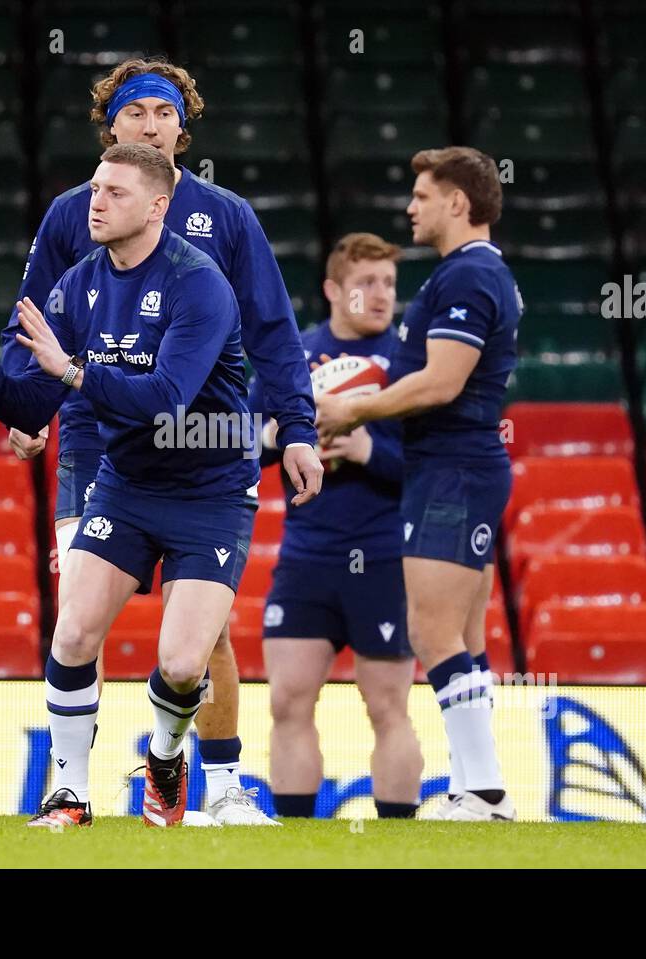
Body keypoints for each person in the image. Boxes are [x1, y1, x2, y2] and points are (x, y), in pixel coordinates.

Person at [0, 58, 321, 825]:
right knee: (78, 614)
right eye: (136, 111)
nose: (151, 123)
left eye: (165, 112)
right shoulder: (73, 213)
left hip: (203, 436)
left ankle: (224, 783)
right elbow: (33, 317)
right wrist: (29, 400)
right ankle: (76, 786)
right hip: (95, 432)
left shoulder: (226, 216)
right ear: (111, 125)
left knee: (200, 633)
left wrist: (300, 426)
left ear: (185, 125)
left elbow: (274, 329)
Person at [0, 143, 262, 828]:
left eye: (116, 193)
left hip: (212, 491)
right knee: (72, 631)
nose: (96, 202)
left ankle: (166, 758)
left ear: (159, 207)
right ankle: (68, 795)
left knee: (184, 663)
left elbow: (167, 398)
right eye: (96, 189)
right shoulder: (75, 285)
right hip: (126, 483)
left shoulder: (201, 284)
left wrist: (75, 375)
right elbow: (31, 407)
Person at [316, 147, 521, 821]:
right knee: (463, 632)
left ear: (457, 203)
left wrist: (354, 407)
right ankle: (475, 786)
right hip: (456, 468)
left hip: (453, 469)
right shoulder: (467, 274)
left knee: (432, 631)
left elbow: (442, 382)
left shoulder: (466, 277)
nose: (410, 206)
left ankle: (484, 791)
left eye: (422, 195)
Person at [256, 233, 424, 821]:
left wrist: (365, 449)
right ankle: (297, 837)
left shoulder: (411, 363)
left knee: (387, 707)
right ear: (333, 290)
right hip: (305, 556)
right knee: (287, 701)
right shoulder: (292, 358)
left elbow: (430, 475)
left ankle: (396, 844)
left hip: (381, 557)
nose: (381, 297)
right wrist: (283, 438)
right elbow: (243, 445)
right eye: (367, 284)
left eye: (389, 285)